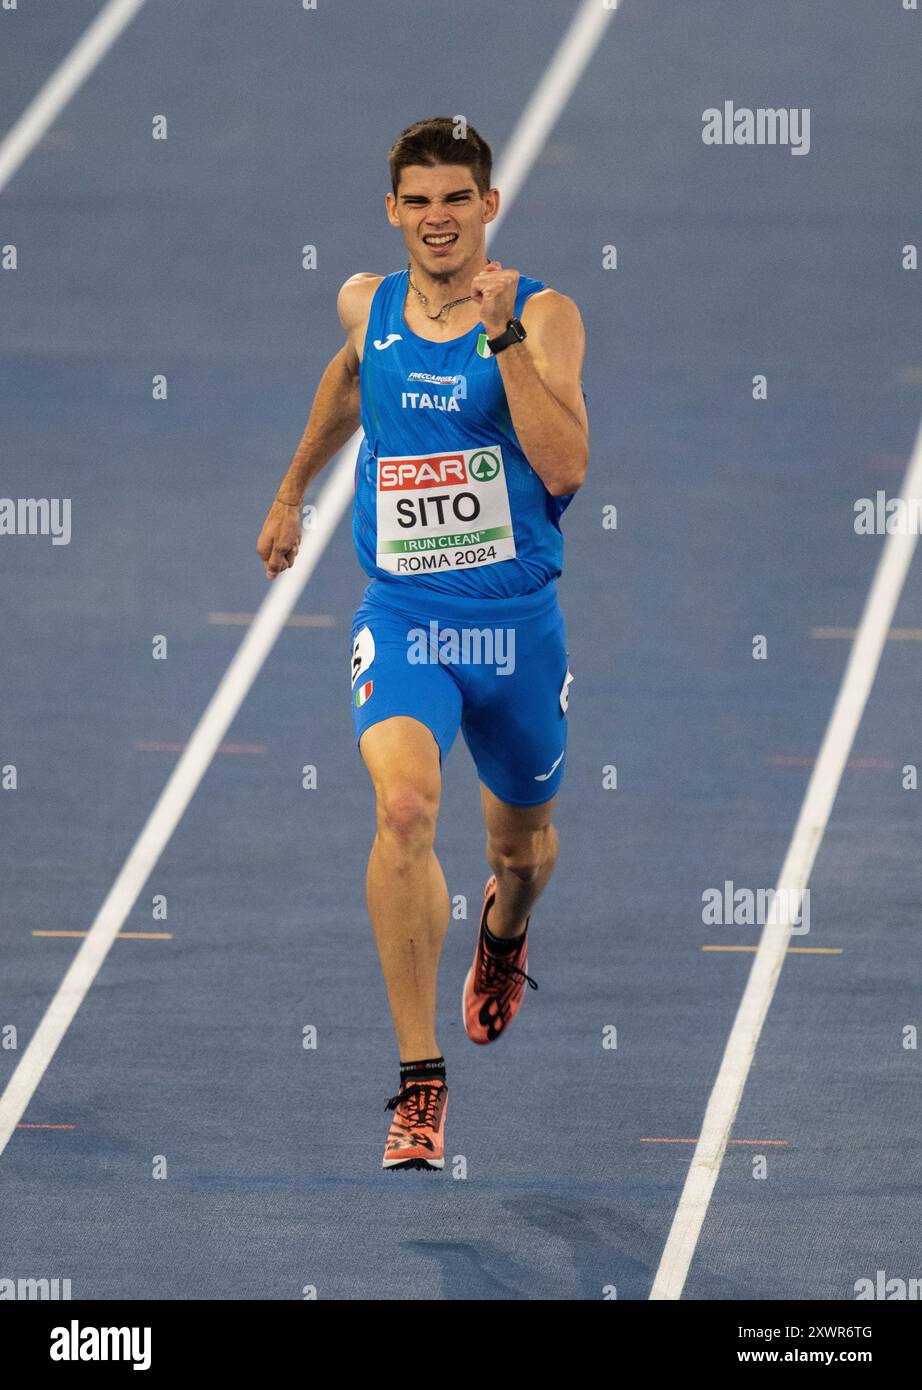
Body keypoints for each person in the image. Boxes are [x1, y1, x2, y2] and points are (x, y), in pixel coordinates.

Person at [257, 116, 588, 1171]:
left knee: (518, 852)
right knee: (403, 806)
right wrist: (290, 492)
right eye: (418, 201)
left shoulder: (543, 314)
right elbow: (351, 379)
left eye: (457, 199)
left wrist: (499, 339)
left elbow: (567, 466)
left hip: (513, 626)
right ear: (392, 210)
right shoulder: (370, 301)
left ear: (489, 207)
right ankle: (418, 1081)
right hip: (404, 614)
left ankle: (502, 934)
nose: (437, 219)